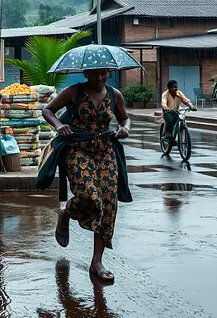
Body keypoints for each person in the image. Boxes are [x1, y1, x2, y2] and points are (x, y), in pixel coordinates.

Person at [41, 68, 132, 283]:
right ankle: (66, 214)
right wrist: (59, 125)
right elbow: (48, 110)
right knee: (89, 196)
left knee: (108, 203)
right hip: (78, 149)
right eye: (95, 74)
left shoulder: (114, 94)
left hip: (106, 150)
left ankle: (97, 261)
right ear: (85, 74)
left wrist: (124, 128)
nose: (100, 78)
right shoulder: (73, 92)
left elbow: (125, 118)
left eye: (104, 74)